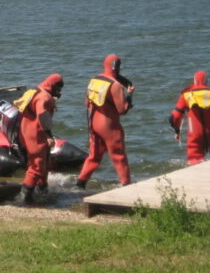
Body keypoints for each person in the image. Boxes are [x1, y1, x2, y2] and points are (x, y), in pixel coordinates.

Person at [76, 54, 134, 188]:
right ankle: (127, 186)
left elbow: (86, 102)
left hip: (93, 123)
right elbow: (122, 110)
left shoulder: (94, 80)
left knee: (94, 156)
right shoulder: (116, 85)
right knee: (119, 157)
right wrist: (129, 96)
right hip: (109, 126)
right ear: (117, 67)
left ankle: (80, 184)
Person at [14, 74, 64, 202]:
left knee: (43, 163)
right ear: (53, 86)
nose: (59, 92)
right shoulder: (44, 97)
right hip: (36, 134)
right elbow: (42, 116)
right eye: (58, 89)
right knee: (36, 166)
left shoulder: (33, 91)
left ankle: (42, 190)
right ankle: (25, 197)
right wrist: (48, 135)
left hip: (25, 131)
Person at [169, 70, 210, 165]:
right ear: (206, 82)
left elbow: (175, 116)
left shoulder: (186, 95)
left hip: (194, 133)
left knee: (194, 161)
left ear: (194, 81)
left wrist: (177, 131)